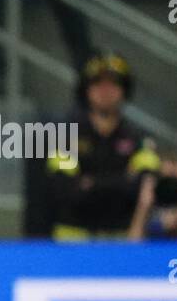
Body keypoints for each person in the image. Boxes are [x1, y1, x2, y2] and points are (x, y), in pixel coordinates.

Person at [46, 53, 161, 240]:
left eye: (113, 83)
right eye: (97, 82)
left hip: (123, 242)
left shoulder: (140, 139)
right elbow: (66, 192)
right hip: (73, 245)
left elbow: (143, 187)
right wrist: (123, 180)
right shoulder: (65, 137)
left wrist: (90, 183)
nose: (105, 90)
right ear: (86, 89)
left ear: (124, 89)